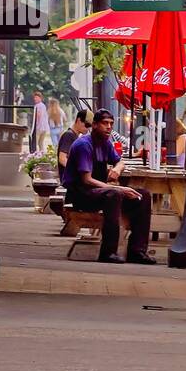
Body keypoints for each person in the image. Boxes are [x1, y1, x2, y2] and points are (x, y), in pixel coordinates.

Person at [63, 109, 154, 265]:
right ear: (95, 125)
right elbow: (87, 179)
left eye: (111, 124)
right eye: (105, 123)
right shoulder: (83, 145)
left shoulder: (105, 143)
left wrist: (118, 169)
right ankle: (108, 252)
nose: (109, 127)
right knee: (114, 195)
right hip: (81, 194)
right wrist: (119, 188)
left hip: (100, 192)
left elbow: (120, 160)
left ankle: (137, 251)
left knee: (143, 195)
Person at [56, 108, 92, 183]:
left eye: (90, 126)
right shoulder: (69, 135)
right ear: (79, 121)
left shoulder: (74, 136)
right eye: (87, 125)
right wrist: (77, 171)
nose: (88, 129)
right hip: (69, 181)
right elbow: (62, 159)